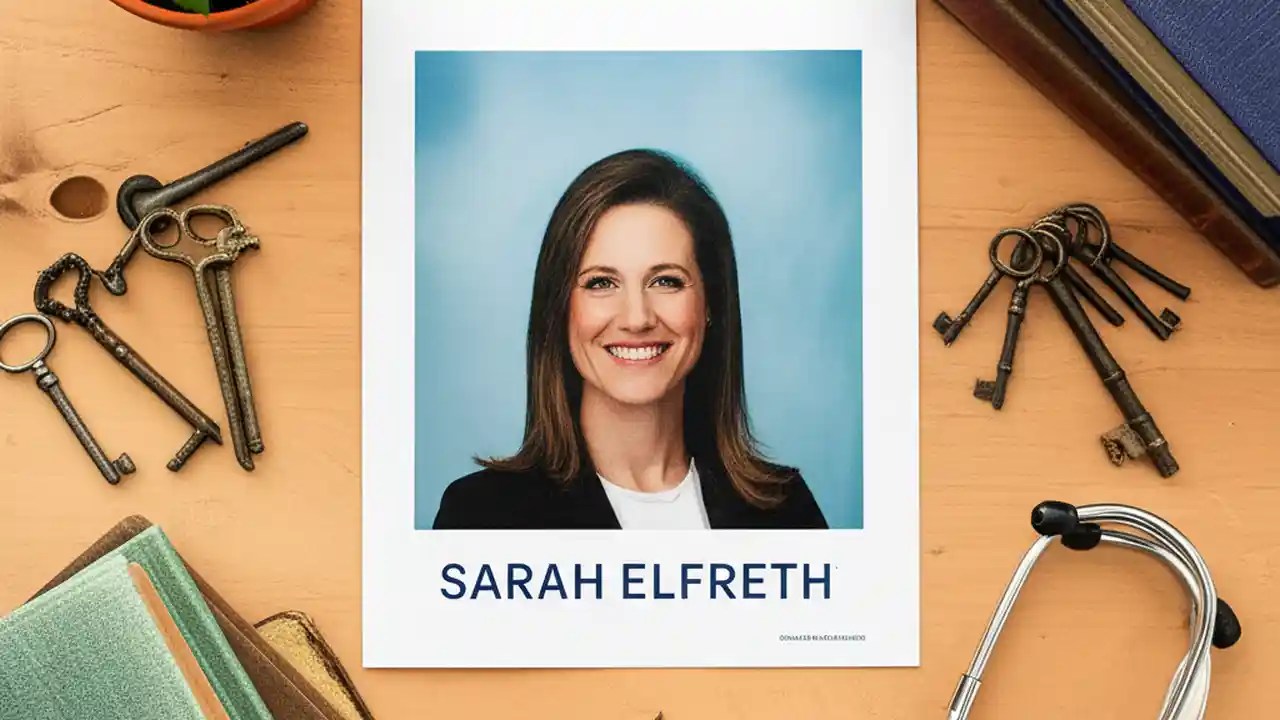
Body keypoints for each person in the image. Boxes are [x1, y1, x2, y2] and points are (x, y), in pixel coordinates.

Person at [433, 148, 828, 530]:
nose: (637, 318)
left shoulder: (787, 509)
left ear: (711, 304)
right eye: (601, 283)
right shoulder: (481, 516)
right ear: (559, 308)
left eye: (666, 281)